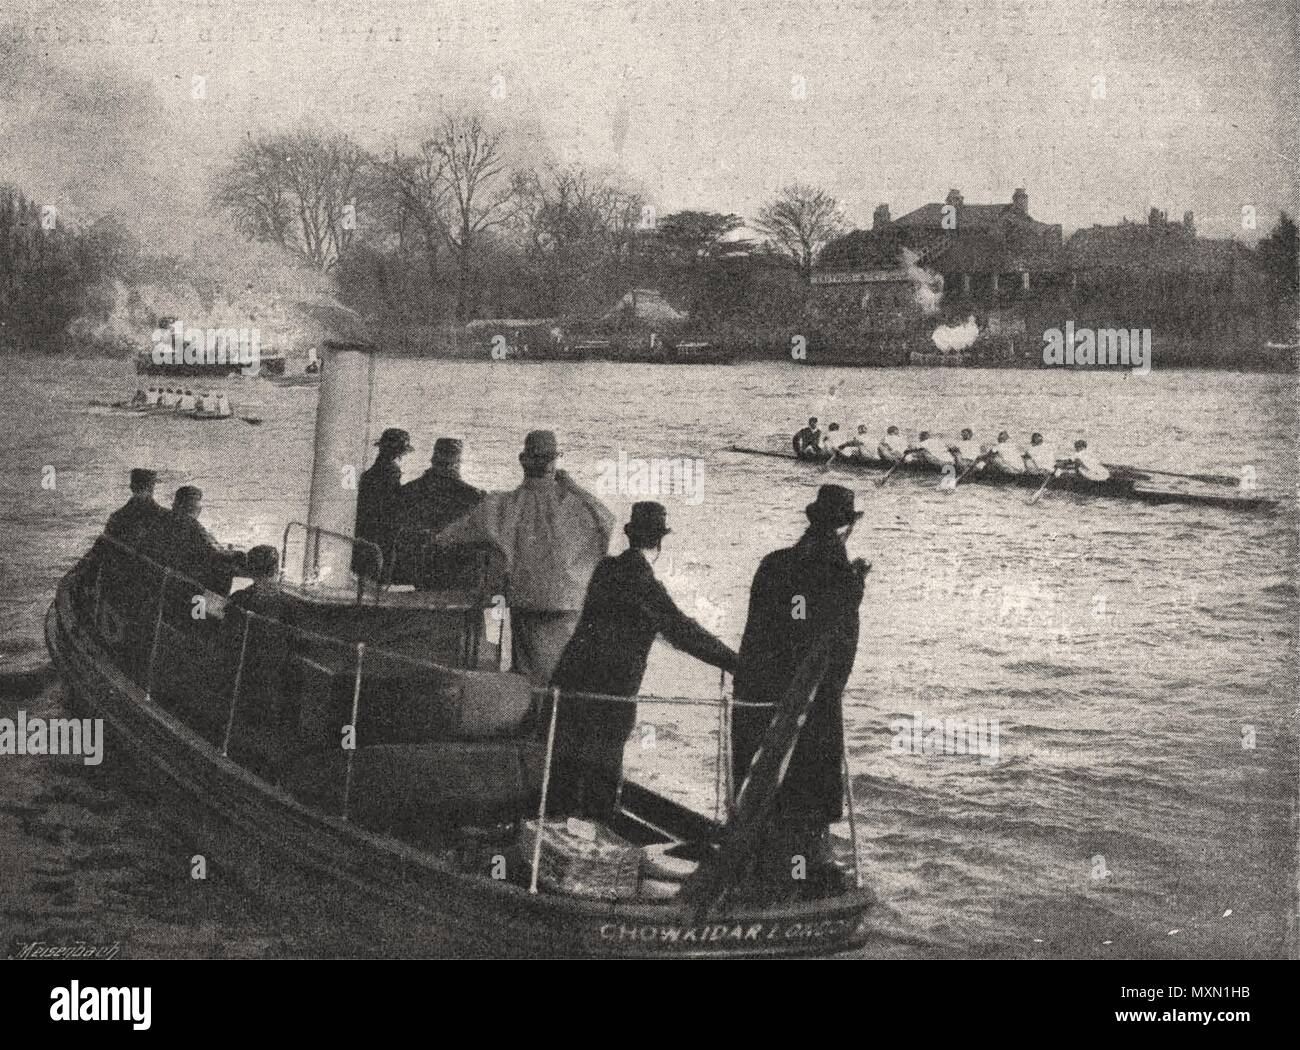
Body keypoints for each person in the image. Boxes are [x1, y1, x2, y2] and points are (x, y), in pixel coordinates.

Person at [547, 502, 739, 820]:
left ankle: (554, 845)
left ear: (631, 535)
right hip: (610, 699)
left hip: (570, 686)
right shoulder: (645, 584)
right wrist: (734, 662)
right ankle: (598, 852)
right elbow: (684, 631)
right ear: (660, 543)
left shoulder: (606, 570)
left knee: (562, 782)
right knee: (600, 786)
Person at [731, 484, 868, 895]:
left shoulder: (774, 563)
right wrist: (854, 588)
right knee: (805, 805)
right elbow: (831, 646)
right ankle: (791, 880)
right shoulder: (839, 576)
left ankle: (754, 870)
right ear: (844, 530)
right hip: (810, 704)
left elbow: (771, 626)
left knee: (761, 792)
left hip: (759, 694)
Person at [435, 430, 614, 685]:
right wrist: (573, 486)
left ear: (523, 460)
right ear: (554, 463)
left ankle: (533, 716)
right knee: (566, 674)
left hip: (528, 602)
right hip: (569, 603)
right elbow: (606, 522)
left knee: (529, 674)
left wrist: (438, 540)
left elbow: (450, 537)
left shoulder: (502, 505)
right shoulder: (574, 504)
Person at [221, 545, 299, 780]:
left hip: (243, 669)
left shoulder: (240, 599)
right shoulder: (288, 604)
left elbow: (226, 630)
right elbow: (295, 639)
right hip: (273, 672)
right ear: (276, 570)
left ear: (250, 570)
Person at [138, 485, 247, 625]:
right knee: (221, 576)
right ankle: (204, 623)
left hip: (162, 585)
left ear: (175, 504)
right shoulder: (194, 529)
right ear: (197, 509)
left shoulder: (161, 521)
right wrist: (240, 555)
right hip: (187, 593)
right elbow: (218, 554)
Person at [393, 438, 485, 586]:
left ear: (433, 460)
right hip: (457, 573)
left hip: (415, 571)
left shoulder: (409, 490)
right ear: (458, 463)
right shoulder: (473, 496)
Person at [352, 427, 412, 581]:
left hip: (365, 529)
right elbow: (392, 505)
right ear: (399, 452)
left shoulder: (369, 473)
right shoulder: (391, 471)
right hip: (382, 532)